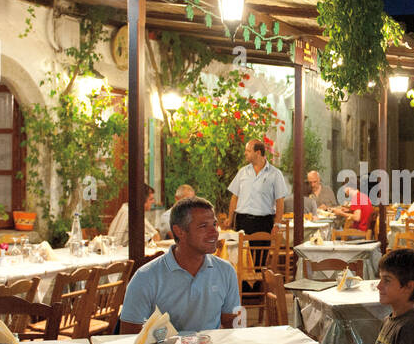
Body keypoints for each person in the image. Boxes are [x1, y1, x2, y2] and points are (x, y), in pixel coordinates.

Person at [119, 197, 241, 333]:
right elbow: (128, 336)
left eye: (214, 224)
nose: (214, 232)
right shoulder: (146, 277)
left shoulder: (226, 271)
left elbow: (233, 326)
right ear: (179, 231)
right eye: (203, 226)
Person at [228, 139, 288, 234]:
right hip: (242, 222)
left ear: (258, 152)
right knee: (241, 249)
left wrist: (277, 224)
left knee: (262, 249)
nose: (245, 153)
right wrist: (230, 219)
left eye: (248, 151)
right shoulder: (242, 172)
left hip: (263, 223)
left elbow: (280, 201)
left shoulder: (275, 174)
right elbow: (234, 197)